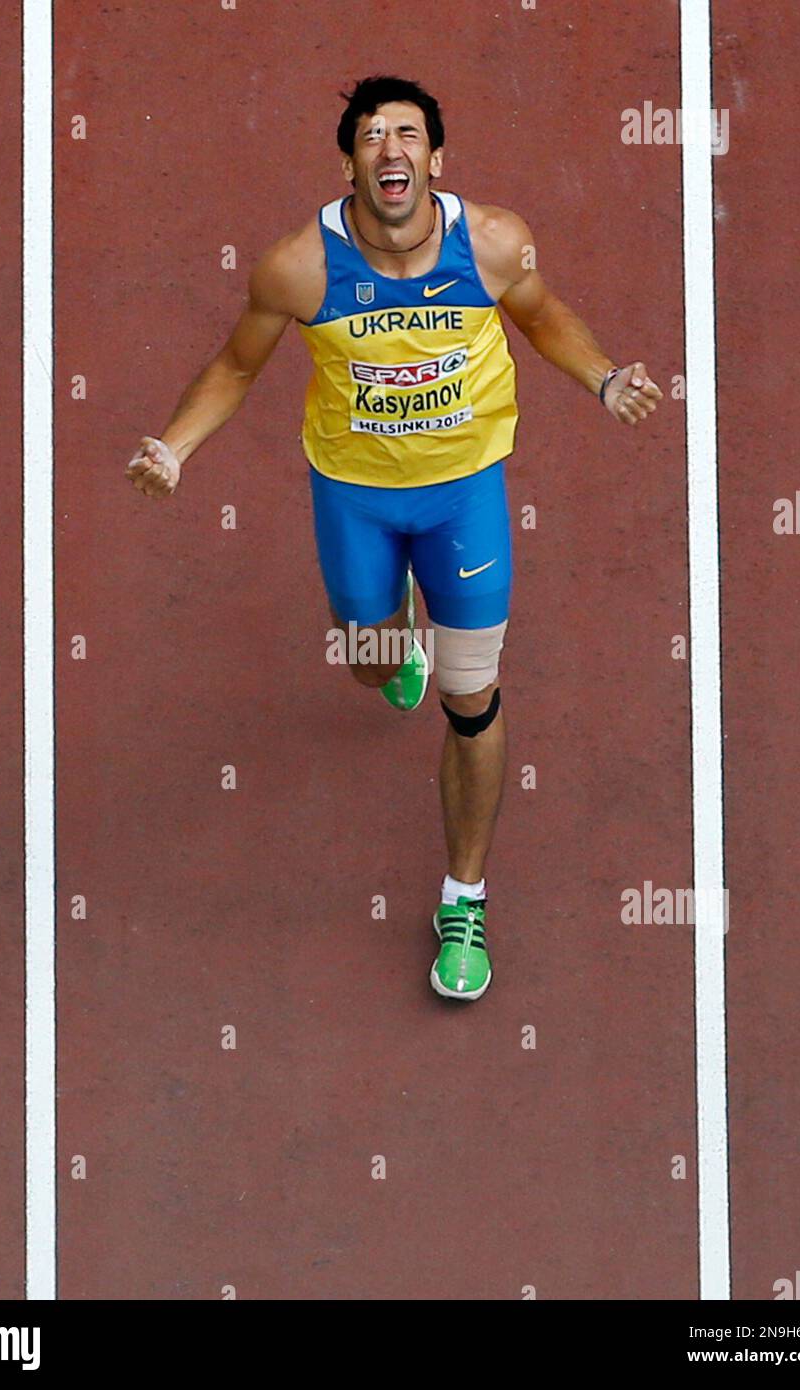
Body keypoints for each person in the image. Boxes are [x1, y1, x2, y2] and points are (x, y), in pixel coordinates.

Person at [125, 75, 662, 1002]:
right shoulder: (299, 267)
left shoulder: (491, 242)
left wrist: (606, 378)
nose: (390, 150)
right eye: (371, 137)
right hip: (356, 499)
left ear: (435, 160)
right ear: (349, 165)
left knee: (471, 701)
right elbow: (234, 366)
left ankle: (464, 898)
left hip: (463, 502)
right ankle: (392, 645)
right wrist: (173, 448)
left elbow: (541, 318)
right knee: (373, 667)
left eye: (407, 134)